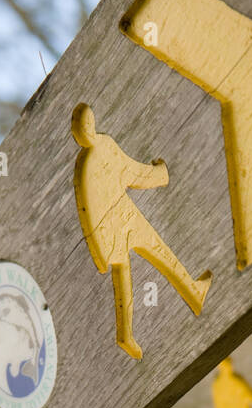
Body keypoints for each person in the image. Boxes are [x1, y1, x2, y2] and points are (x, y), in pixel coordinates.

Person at [71, 102, 212, 359]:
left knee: (162, 252)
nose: (89, 128)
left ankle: (193, 290)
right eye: (84, 126)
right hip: (111, 229)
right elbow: (89, 214)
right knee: (124, 278)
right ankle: (126, 337)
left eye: (90, 122)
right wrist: (102, 253)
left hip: (126, 215)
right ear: (77, 132)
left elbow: (131, 171)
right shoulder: (88, 166)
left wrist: (159, 175)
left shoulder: (106, 146)